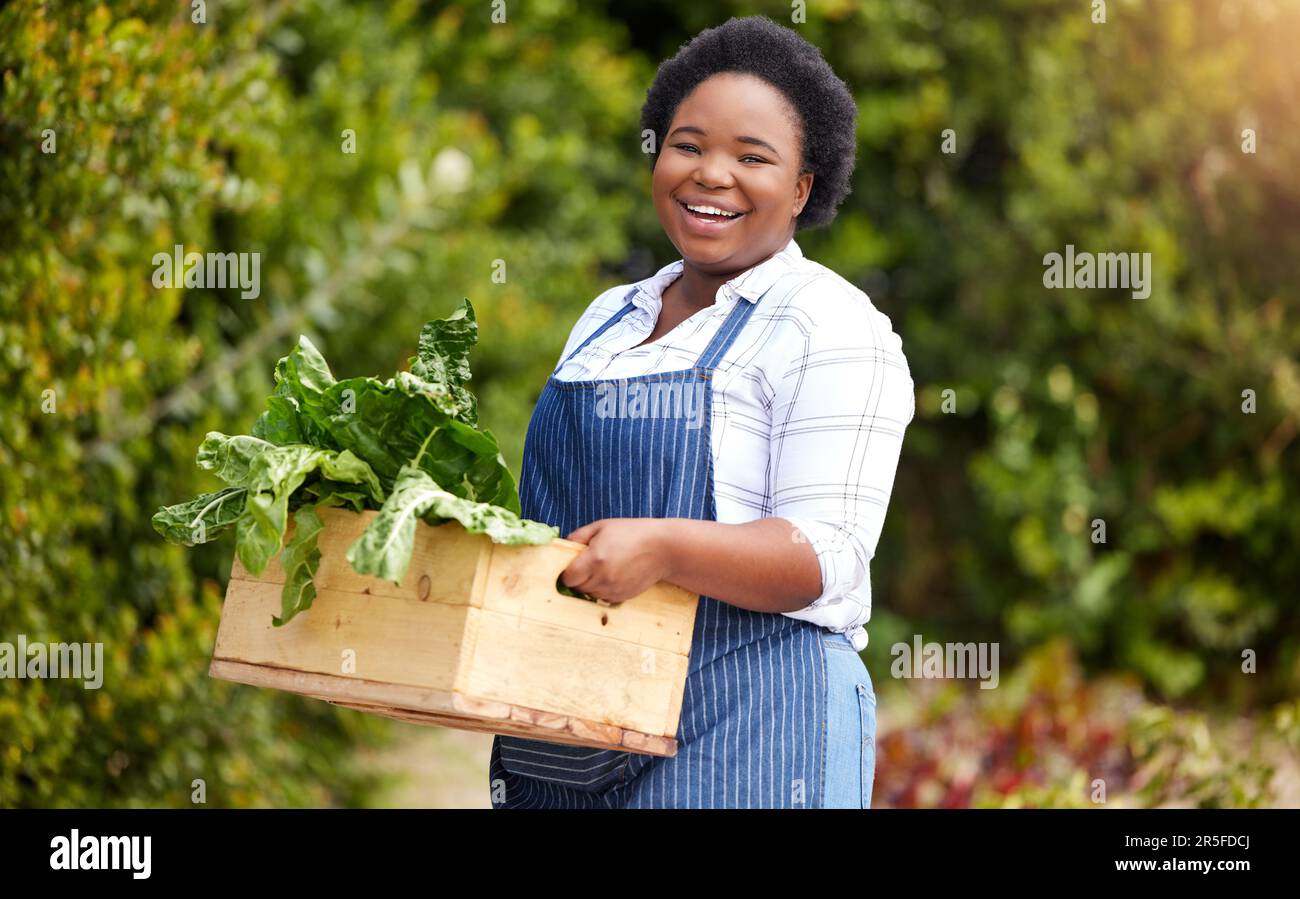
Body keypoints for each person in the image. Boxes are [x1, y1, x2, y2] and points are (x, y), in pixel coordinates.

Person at [489, 14, 914, 808]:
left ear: (801, 188)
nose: (711, 174)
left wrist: (663, 548)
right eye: (687, 145)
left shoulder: (827, 321)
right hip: (571, 718)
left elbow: (824, 553)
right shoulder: (609, 317)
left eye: (753, 157)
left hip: (753, 728)